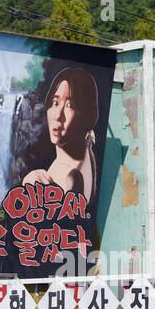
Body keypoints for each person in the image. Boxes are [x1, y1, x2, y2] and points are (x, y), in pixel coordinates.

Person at [22, 67, 100, 206]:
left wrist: (29, 191)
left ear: (87, 115)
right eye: (55, 103)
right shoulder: (83, 155)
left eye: (70, 105)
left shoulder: (72, 176)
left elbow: (56, 226)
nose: (58, 116)